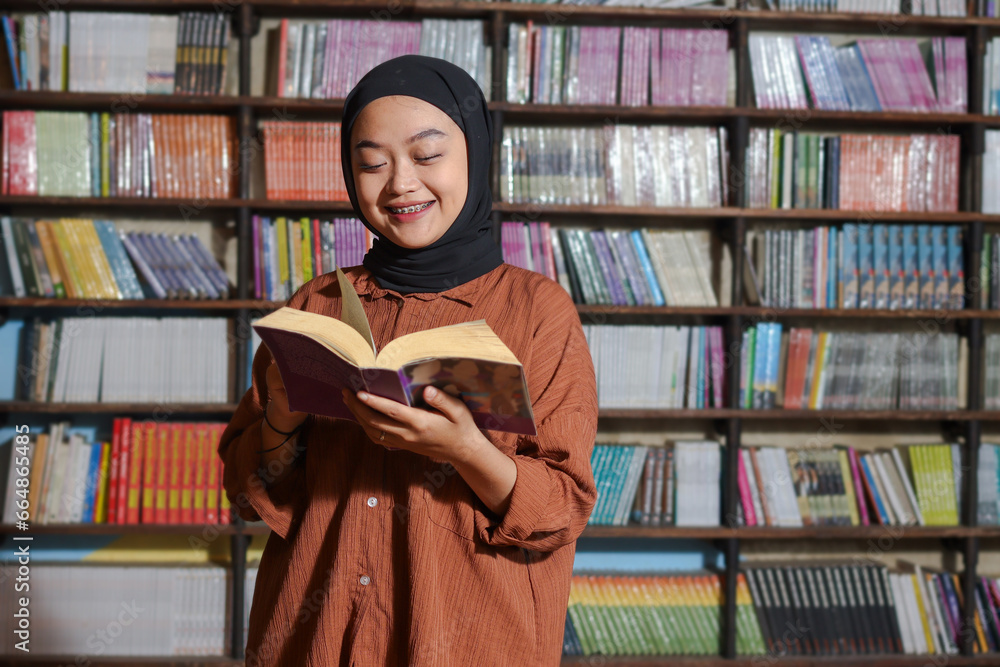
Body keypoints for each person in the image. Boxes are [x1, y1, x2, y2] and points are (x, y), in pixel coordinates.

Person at [217, 54, 597, 666]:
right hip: (314, 638)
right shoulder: (318, 303)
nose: (399, 184)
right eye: (371, 163)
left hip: (469, 642)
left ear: (474, 152)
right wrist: (280, 424)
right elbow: (249, 491)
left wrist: (466, 451)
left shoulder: (537, 311)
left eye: (427, 156)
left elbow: (562, 510)